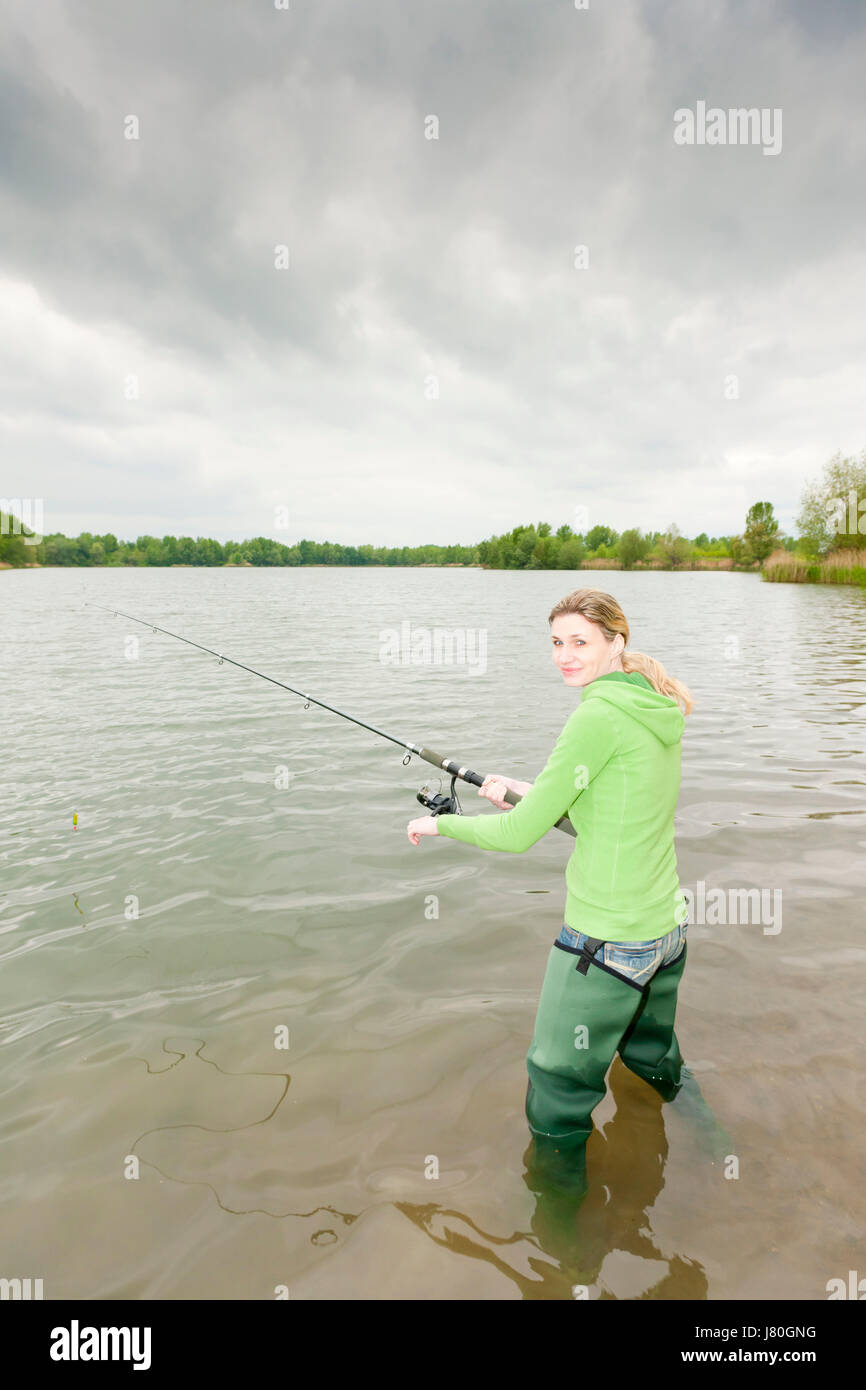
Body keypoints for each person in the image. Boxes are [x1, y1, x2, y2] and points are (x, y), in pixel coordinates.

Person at [407, 586, 694, 1194]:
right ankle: (711, 1139)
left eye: (580, 642)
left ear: (617, 641)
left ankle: (563, 1245)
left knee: (556, 1089)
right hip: (666, 932)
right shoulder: (655, 706)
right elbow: (608, 807)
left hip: (607, 942)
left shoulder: (594, 715)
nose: (565, 655)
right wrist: (525, 789)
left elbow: (517, 837)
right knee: (651, 1058)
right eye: (557, 643)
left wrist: (439, 823)